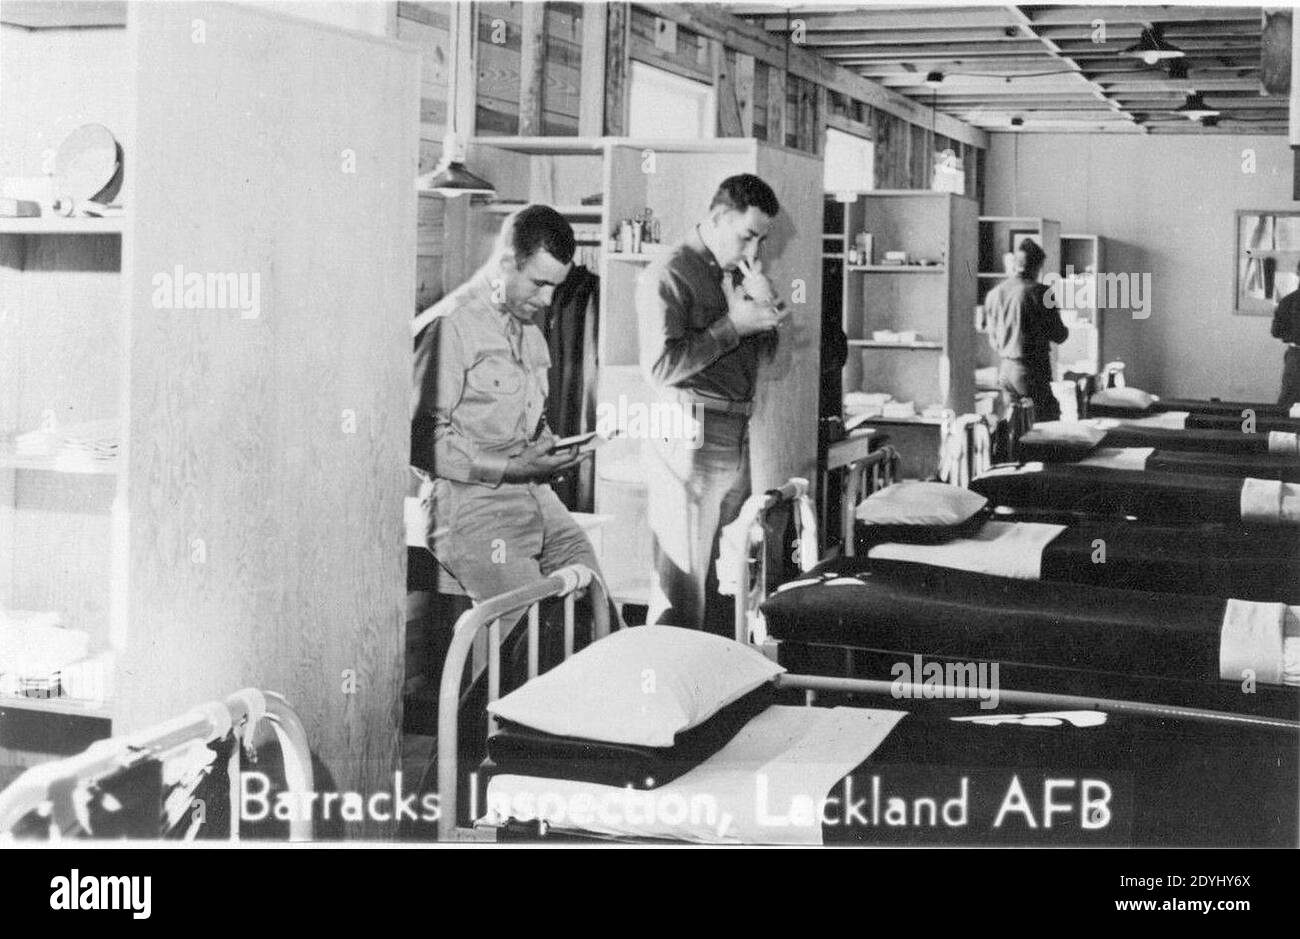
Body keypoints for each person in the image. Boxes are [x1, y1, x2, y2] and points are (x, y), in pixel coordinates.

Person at [411, 205, 604, 603]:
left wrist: (551, 449)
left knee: (594, 596)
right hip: (470, 505)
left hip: (533, 494)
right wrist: (513, 468)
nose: (549, 300)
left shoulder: (528, 328)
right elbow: (421, 439)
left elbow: (530, 421)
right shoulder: (451, 325)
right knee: (527, 627)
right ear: (505, 263)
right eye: (539, 284)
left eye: (556, 287)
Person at [637, 174, 786, 633]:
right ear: (719, 218)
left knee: (726, 580)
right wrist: (734, 326)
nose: (754, 251)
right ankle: (665, 695)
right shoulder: (670, 271)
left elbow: (759, 360)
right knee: (681, 587)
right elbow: (661, 367)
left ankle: (712, 690)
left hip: (733, 433)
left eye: (761, 239)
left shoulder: (731, 276)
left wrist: (767, 315)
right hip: (688, 433)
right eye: (747, 236)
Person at [984, 238, 1069, 422]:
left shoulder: (994, 293)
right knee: (1048, 424)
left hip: (1005, 371)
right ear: (1037, 267)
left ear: (1016, 265)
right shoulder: (1041, 292)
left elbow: (993, 339)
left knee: (1016, 429)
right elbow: (1060, 335)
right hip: (1031, 372)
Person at [1271, 264, 1300, 408]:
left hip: (1295, 355)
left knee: (1289, 401)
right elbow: (1276, 331)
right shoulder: (1288, 301)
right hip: (1296, 357)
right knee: (1289, 402)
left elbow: (1277, 331)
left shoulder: (1288, 301)